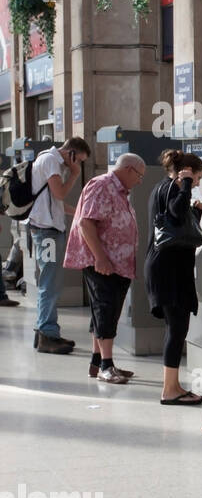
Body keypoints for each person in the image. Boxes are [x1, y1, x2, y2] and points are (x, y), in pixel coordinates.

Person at [63, 152, 146, 384]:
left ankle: (97, 360)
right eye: (139, 176)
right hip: (104, 262)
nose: (140, 181)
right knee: (106, 310)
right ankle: (106, 366)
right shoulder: (102, 186)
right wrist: (100, 257)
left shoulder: (118, 189)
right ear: (129, 169)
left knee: (103, 312)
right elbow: (86, 222)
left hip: (116, 262)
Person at [145, 149, 202, 406]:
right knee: (177, 327)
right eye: (198, 177)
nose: (199, 182)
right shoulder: (174, 187)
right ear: (187, 173)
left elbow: (176, 226)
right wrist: (187, 185)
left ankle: (173, 385)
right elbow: (176, 213)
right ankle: (169, 390)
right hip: (168, 269)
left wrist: (197, 213)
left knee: (175, 327)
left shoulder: (162, 187)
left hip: (164, 267)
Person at [29, 137, 92, 352]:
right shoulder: (50, 161)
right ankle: (47, 333)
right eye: (78, 160)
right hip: (47, 231)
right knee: (50, 282)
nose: (77, 165)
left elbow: (54, 202)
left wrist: (77, 212)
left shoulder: (48, 161)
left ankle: (46, 332)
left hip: (48, 228)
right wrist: (74, 174)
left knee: (51, 282)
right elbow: (60, 193)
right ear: (71, 153)